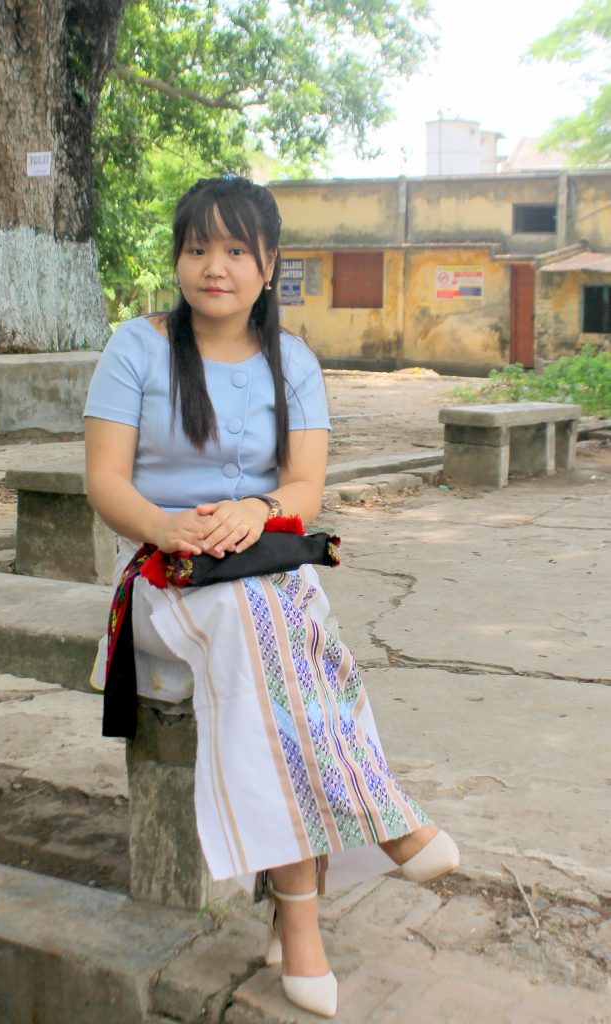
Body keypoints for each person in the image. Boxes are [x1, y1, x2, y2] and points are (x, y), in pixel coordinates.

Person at [84, 176, 459, 1018]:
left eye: (234, 250)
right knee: (275, 634)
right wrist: (174, 529)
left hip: (260, 571)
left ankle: (298, 917)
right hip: (163, 575)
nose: (212, 267)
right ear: (179, 256)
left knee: (272, 638)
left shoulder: (292, 362)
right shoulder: (137, 348)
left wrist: (258, 510)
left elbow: (304, 487)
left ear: (268, 264)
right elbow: (105, 482)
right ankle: (374, 825)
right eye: (196, 248)